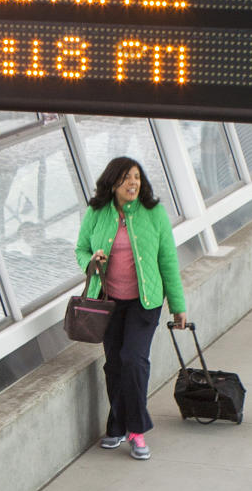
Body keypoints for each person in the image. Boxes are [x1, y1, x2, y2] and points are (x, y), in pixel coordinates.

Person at [76, 156, 186, 461]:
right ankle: (117, 425)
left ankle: (136, 430)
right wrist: (91, 260)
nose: (133, 183)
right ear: (113, 183)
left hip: (145, 301)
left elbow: (168, 261)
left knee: (133, 360)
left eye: (136, 177)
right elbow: (80, 248)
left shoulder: (154, 213)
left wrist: (178, 306)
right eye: (126, 178)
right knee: (114, 364)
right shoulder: (97, 211)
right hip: (109, 301)